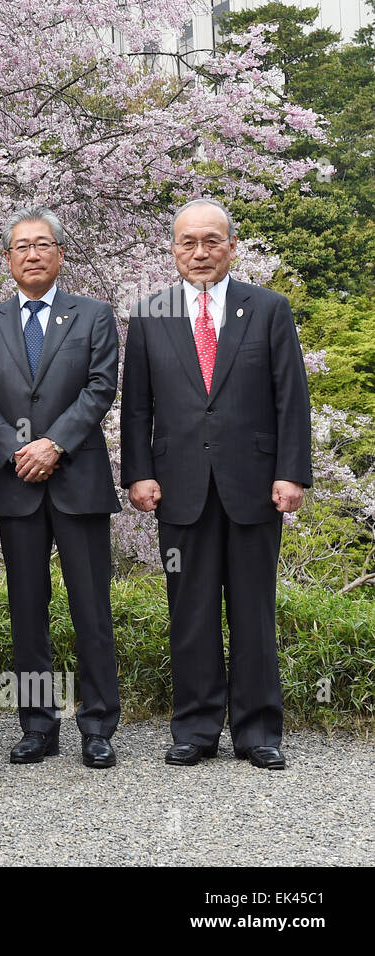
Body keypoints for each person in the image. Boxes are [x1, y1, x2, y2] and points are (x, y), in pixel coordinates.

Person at [121, 197, 311, 770]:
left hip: (254, 485)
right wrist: (139, 473)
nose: (199, 252)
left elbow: (291, 398)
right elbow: (136, 408)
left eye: (211, 241)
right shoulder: (149, 315)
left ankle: (258, 732)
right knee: (191, 609)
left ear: (231, 246)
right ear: (174, 249)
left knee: (253, 609)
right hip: (178, 486)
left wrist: (291, 472)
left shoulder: (269, 308)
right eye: (188, 242)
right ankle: (196, 728)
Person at [0, 207, 121, 768]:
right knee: (26, 609)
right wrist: (15, 450)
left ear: (60, 254)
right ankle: (37, 725)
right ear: (7, 259)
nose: (32, 254)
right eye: (21, 247)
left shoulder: (94, 315)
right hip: (17, 484)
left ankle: (98, 724)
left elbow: (101, 386)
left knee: (91, 608)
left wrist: (53, 444)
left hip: (77, 479)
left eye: (43, 245)